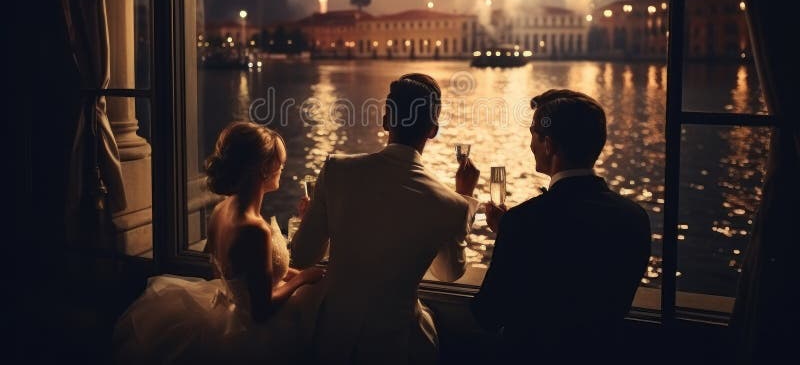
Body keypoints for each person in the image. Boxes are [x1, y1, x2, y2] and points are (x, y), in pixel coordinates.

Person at [291, 73, 480, 364]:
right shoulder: (450, 204)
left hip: (331, 337)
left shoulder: (337, 172)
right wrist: (464, 198)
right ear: (433, 130)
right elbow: (449, 273)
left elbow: (303, 255)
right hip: (396, 344)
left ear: (386, 120)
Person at [113, 121, 325, 364]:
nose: (283, 167)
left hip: (225, 306)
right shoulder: (254, 230)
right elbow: (261, 309)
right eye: (280, 162)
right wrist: (302, 279)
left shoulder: (221, 210)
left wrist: (300, 272)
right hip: (249, 333)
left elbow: (243, 273)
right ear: (264, 168)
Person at [471, 89, 651, 363]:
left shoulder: (524, 221)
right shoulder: (634, 217)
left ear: (549, 144)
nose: (530, 143)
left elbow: (488, 315)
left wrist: (508, 235)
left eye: (533, 133)